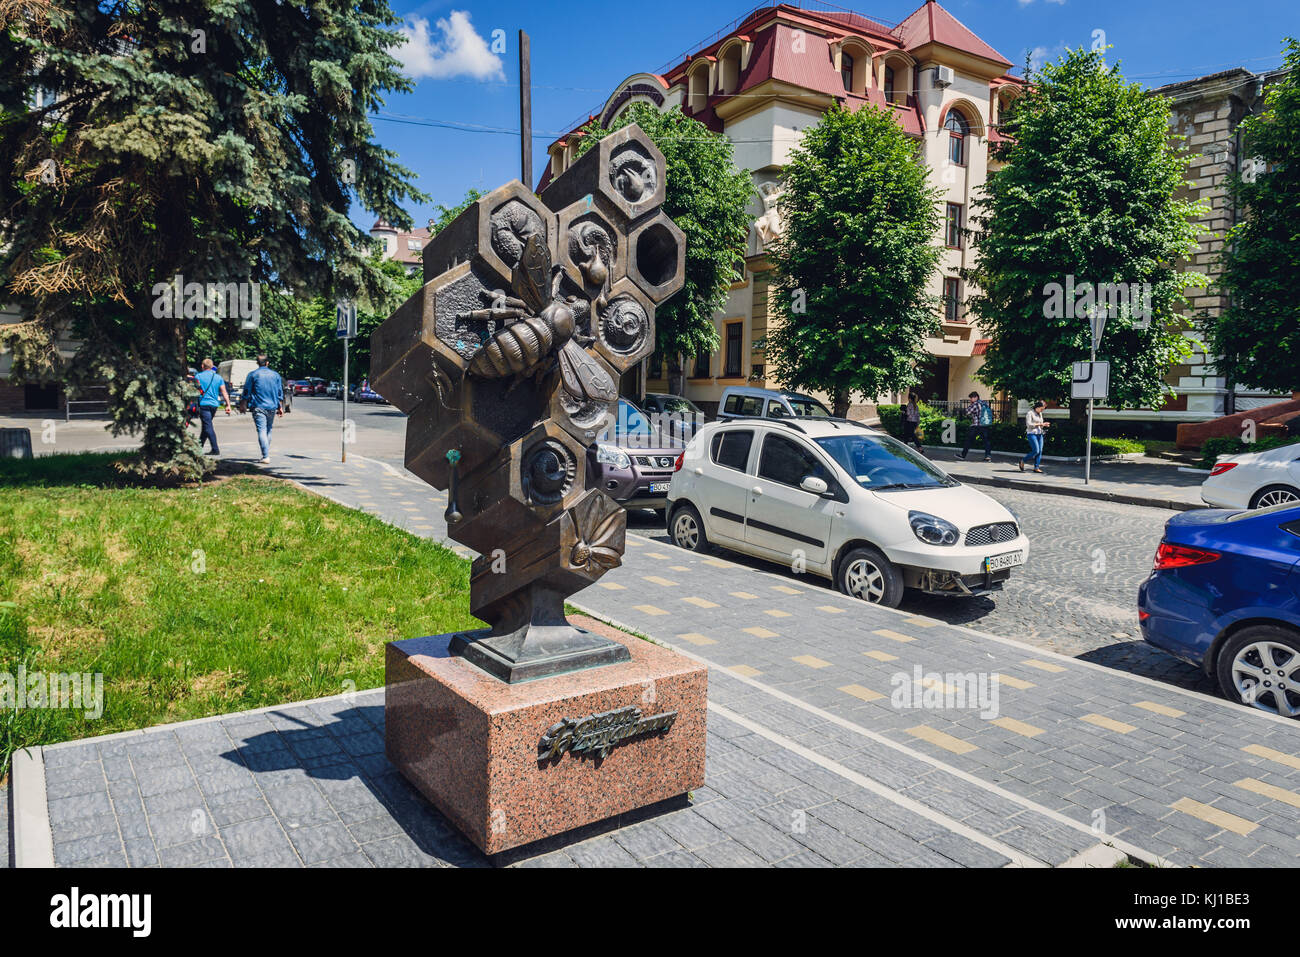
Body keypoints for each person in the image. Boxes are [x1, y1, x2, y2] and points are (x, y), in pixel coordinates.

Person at [241, 355, 285, 464]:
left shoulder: (252, 375)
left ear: (257, 363)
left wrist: (243, 403)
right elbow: (279, 393)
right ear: (267, 363)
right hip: (272, 407)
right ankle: (266, 452)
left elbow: (247, 391)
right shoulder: (275, 375)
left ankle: (265, 456)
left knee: (262, 430)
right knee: (268, 430)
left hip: (258, 406)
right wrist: (280, 407)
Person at [193, 358, 233, 455]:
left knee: (208, 426)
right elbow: (224, 391)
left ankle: (215, 449)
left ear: (202, 366)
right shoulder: (218, 378)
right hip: (214, 405)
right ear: (212, 367)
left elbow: (193, 390)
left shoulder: (198, 376)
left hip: (203, 404)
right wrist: (228, 405)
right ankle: (199, 447)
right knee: (206, 426)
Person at [956, 391, 993, 462]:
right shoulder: (984, 403)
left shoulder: (975, 404)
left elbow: (967, 412)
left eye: (971, 398)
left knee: (969, 440)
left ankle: (963, 455)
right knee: (986, 441)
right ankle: (988, 457)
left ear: (976, 397)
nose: (970, 399)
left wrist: (970, 405)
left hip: (976, 425)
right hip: (985, 425)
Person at [1020, 400, 1050, 473]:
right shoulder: (1030, 413)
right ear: (1037, 407)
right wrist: (1040, 424)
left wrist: (1044, 425)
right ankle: (1023, 460)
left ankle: (1036, 467)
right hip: (1032, 434)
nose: (1042, 410)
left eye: (1043, 409)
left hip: (1040, 434)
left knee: (1040, 451)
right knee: (1036, 450)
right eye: (1042, 408)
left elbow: (1040, 423)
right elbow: (1029, 424)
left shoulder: (1040, 414)